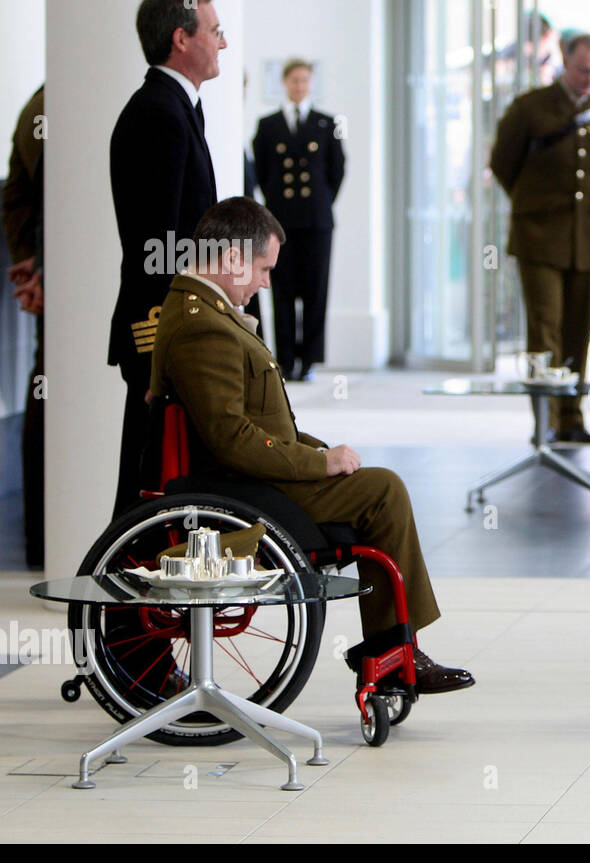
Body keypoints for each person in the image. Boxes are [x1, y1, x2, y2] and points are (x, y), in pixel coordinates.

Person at [150, 197, 473, 691]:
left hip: (255, 476)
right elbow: (232, 440)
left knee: (373, 483)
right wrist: (318, 463)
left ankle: (393, 647)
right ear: (233, 258)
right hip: (245, 489)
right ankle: (394, 650)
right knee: (382, 491)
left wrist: (321, 454)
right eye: (262, 268)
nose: (266, 282)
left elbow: (252, 426)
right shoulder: (202, 326)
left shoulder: (206, 313)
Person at [109, 0, 221, 518]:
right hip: (161, 326)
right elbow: (158, 244)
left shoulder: (177, 106)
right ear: (182, 38)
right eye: (215, 31)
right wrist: (172, 335)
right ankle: (122, 592)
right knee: (148, 478)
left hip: (175, 321)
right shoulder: (159, 112)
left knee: (159, 475)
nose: (223, 43)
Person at [490, 33, 590, 443]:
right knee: (544, 326)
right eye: (582, 69)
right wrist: (536, 200)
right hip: (539, 234)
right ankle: (545, 420)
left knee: (579, 329)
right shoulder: (529, 107)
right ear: (565, 62)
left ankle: (571, 418)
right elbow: (503, 164)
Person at [253, 58, 346, 381]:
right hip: (281, 222)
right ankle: (286, 358)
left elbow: (337, 171)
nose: (300, 86)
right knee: (281, 290)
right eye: (294, 80)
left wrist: (320, 202)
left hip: (318, 221)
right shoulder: (268, 125)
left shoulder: (326, 123)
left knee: (315, 290)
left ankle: (310, 359)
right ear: (284, 83)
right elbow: (262, 175)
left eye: (305, 80)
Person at [0, 84, 45, 566]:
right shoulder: (62, 107)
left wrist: (30, 265)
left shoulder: (40, 104)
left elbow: (17, 198)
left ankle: (40, 534)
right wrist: (44, 274)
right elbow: (60, 203)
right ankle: (45, 535)